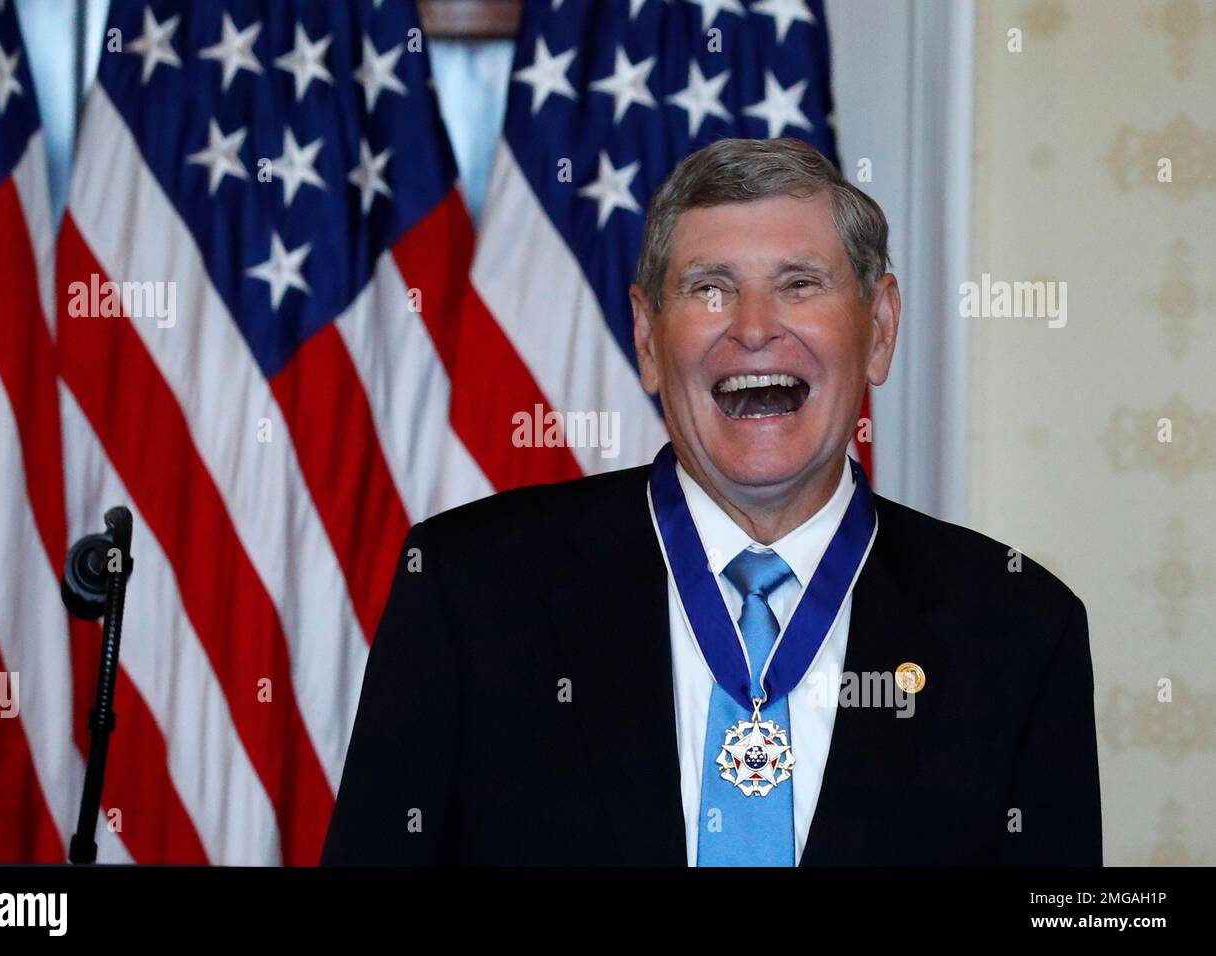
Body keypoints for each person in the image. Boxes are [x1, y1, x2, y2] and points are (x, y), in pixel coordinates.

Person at [321, 137, 1102, 866]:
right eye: (710, 289)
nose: (755, 330)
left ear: (881, 328)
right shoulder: (468, 591)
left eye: (799, 284)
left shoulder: (1019, 628)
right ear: (649, 339)